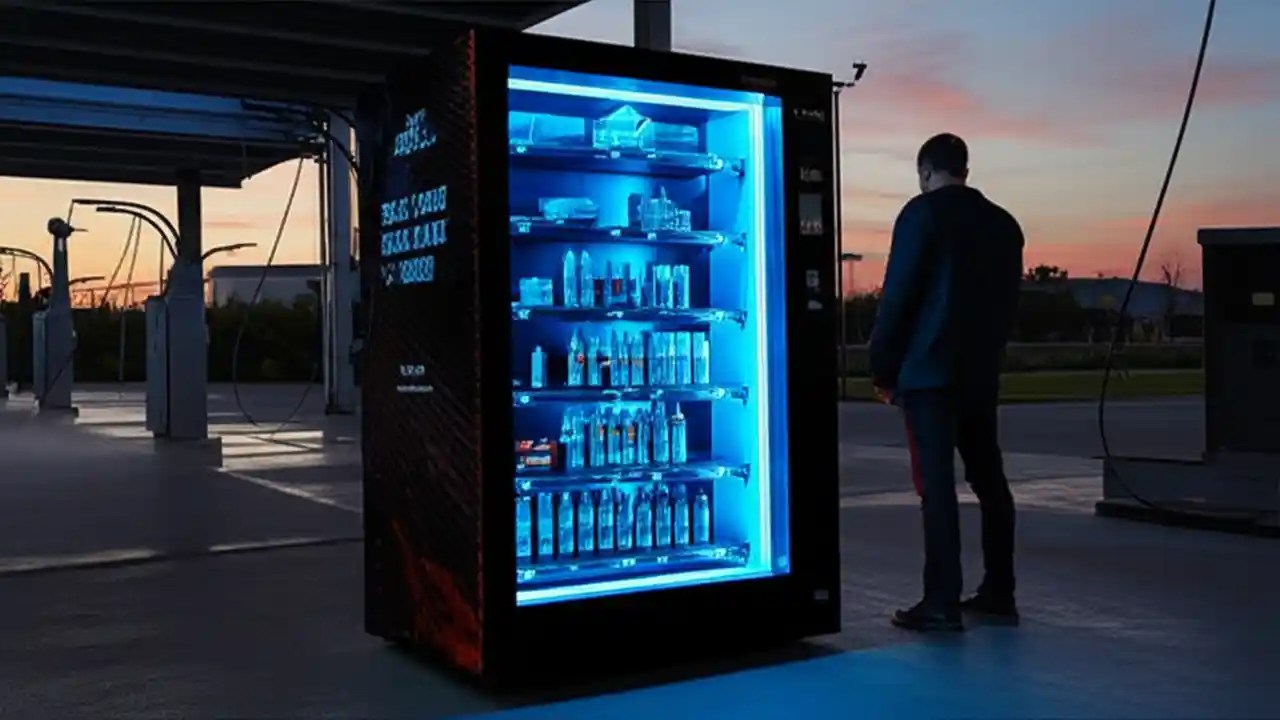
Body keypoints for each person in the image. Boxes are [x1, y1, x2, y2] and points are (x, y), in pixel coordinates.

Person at [869, 133, 1025, 632]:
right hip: (979, 373)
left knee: (937, 488)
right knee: (989, 481)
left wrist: (882, 369)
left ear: (926, 172)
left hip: (929, 376)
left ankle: (941, 600)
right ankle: (1000, 590)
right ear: (965, 169)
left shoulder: (921, 215)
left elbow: (899, 298)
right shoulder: (1004, 226)